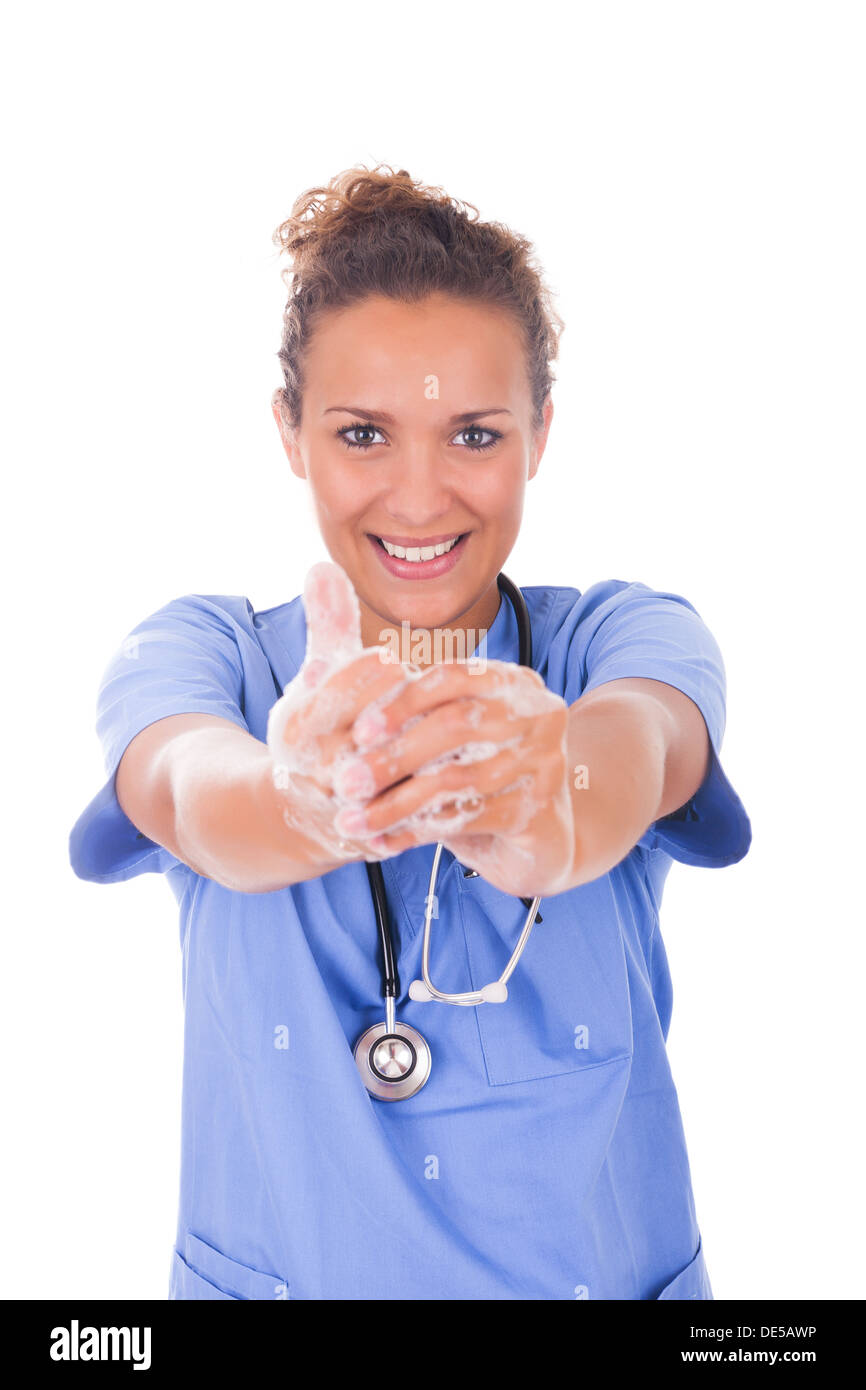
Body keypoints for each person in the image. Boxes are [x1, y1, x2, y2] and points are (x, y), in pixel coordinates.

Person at [69, 164, 752, 1301]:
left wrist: (561, 801)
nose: (421, 496)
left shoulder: (619, 639)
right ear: (290, 433)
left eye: (474, 434)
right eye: (363, 433)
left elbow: (640, 744)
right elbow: (187, 787)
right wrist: (296, 798)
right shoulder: (207, 656)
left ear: (540, 433)